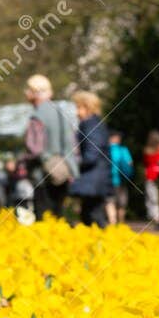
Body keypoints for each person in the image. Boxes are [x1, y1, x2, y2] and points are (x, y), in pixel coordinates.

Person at [23, 74, 77, 218]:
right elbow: (73, 143)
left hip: (43, 173)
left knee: (44, 217)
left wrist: (22, 160)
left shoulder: (37, 116)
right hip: (64, 171)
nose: (26, 94)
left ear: (34, 93)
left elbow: (34, 148)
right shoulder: (61, 112)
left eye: (28, 90)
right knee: (58, 215)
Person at [68, 91, 112, 227]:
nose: (76, 112)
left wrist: (74, 165)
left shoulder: (90, 125)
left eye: (78, 108)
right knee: (90, 216)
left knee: (93, 218)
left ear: (87, 107)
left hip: (93, 180)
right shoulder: (94, 124)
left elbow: (92, 154)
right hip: (95, 180)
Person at [107, 129, 134, 224]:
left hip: (109, 180)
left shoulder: (105, 149)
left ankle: (112, 222)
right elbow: (130, 163)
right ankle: (121, 222)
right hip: (122, 180)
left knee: (110, 201)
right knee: (121, 203)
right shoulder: (123, 150)